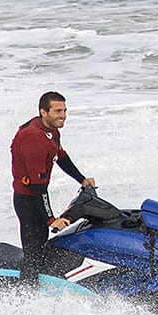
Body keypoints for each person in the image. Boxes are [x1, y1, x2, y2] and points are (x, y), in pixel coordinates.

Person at [11, 92, 94, 282]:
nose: (63, 115)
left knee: (41, 248)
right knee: (33, 254)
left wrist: (81, 179)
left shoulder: (51, 130)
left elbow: (60, 156)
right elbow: (38, 188)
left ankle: (43, 284)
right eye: (57, 111)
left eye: (64, 110)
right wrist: (50, 219)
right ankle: (26, 296)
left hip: (36, 197)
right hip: (28, 201)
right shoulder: (33, 139)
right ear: (43, 112)